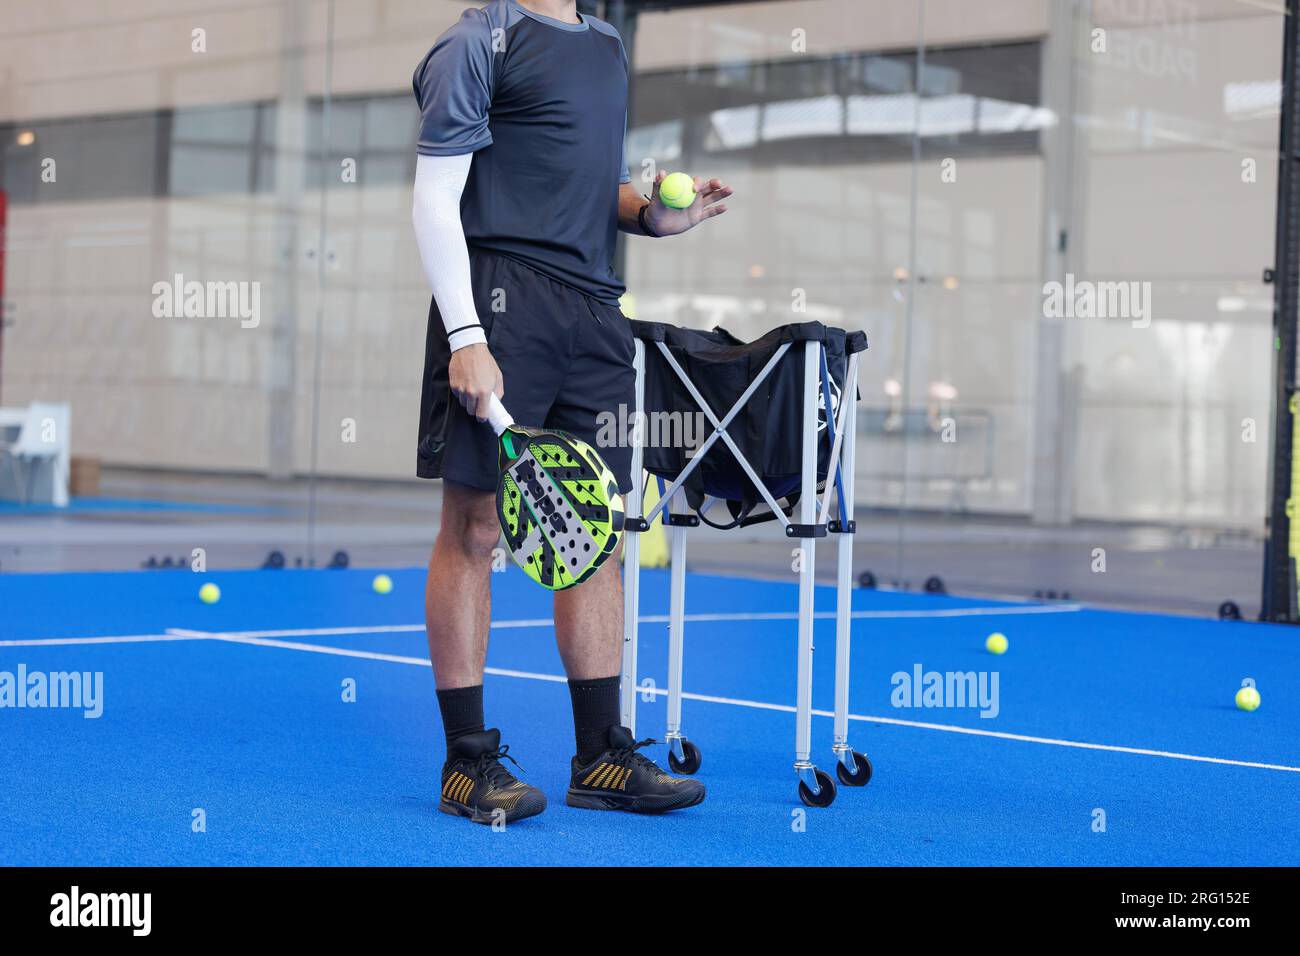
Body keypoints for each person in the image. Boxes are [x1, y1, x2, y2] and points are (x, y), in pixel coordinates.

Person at [411, 0, 732, 824]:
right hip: (499, 300)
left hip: (593, 311)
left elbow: (595, 189)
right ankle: (466, 766)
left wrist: (657, 215)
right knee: (476, 528)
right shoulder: (480, 37)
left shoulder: (608, 45)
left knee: (595, 527)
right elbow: (434, 199)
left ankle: (601, 757)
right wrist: (467, 334)